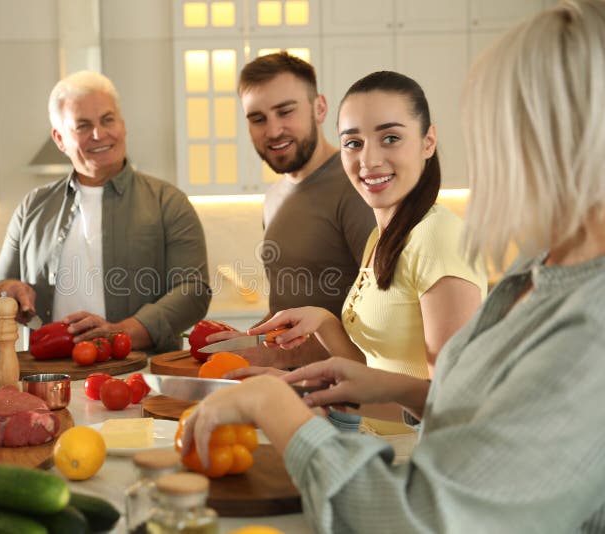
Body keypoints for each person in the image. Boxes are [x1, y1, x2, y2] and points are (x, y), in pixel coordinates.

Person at [182, 1, 605, 531]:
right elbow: (479, 413)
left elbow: (410, 518)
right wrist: (384, 385)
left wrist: (274, 405)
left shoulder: (591, 325)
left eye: (497, 128)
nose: (486, 151)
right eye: (355, 142)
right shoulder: (537, 266)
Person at [234, 70, 488, 444]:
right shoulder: (381, 237)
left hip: (417, 460)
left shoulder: (439, 239)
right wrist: (323, 322)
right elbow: (369, 371)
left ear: (428, 141)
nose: (368, 160)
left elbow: (447, 404)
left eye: (390, 138)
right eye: (353, 143)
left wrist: (302, 396)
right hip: (376, 448)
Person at [0, 71, 210, 352]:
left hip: (141, 373)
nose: (99, 134)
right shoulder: (33, 207)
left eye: (107, 120)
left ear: (123, 125)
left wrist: (118, 334)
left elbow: (193, 292)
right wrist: (9, 292)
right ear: (59, 138)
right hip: (53, 376)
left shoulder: (168, 202)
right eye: (82, 126)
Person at [206, 52, 375, 368]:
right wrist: (250, 338)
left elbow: (386, 327)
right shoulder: (273, 198)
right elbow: (289, 308)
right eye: (258, 119)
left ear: (320, 108)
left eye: (285, 112)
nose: (272, 131)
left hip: (349, 404)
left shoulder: (358, 187)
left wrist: (279, 354)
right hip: (291, 391)